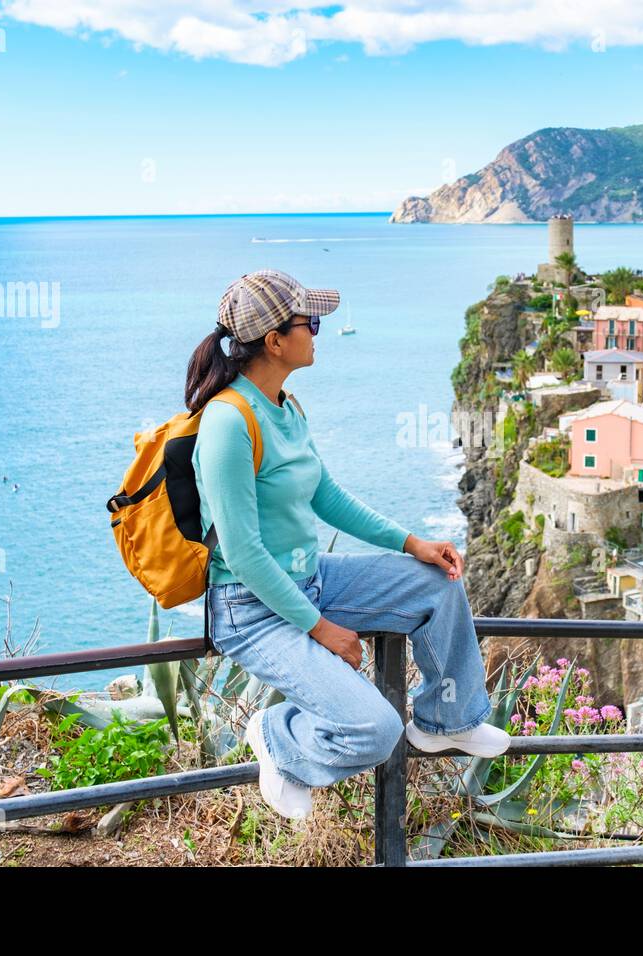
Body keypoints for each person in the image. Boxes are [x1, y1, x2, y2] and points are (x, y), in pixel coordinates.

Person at [187, 268, 509, 822]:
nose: (319, 330)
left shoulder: (286, 406)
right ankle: (278, 736)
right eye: (310, 322)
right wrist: (321, 628)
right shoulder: (226, 424)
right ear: (275, 341)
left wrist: (412, 543)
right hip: (250, 608)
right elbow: (240, 553)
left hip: (309, 577)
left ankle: (445, 721)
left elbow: (326, 496)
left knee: (438, 583)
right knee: (376, 729)